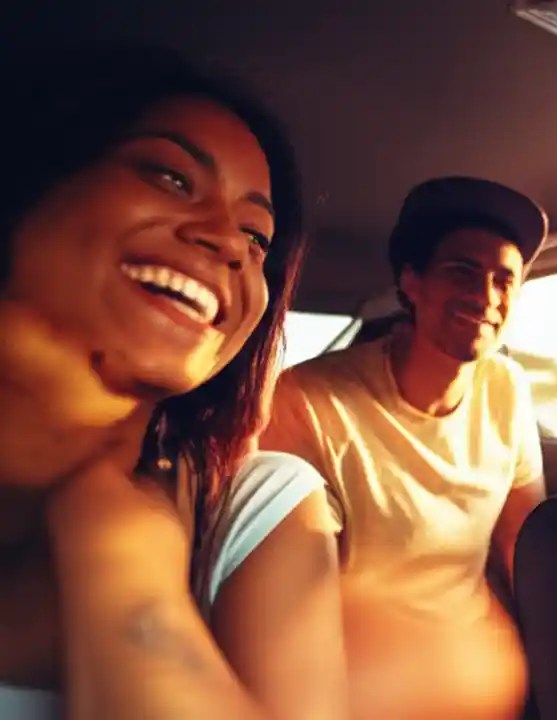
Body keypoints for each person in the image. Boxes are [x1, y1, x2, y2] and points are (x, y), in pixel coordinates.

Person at [0, 45, 347, 719]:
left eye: (258, 236)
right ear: (28, 189)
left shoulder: (260, 507)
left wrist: (116, 551)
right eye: (169, 177)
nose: (228, 243)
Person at [261, 176, 548, 719]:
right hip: (362, 689)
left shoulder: (508, 389)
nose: (487, 297)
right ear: (411, 282)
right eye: (462, 271)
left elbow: (526, 552)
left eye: (504, 280)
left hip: (491, 684)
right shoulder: (309, 400)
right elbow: (293, 598)